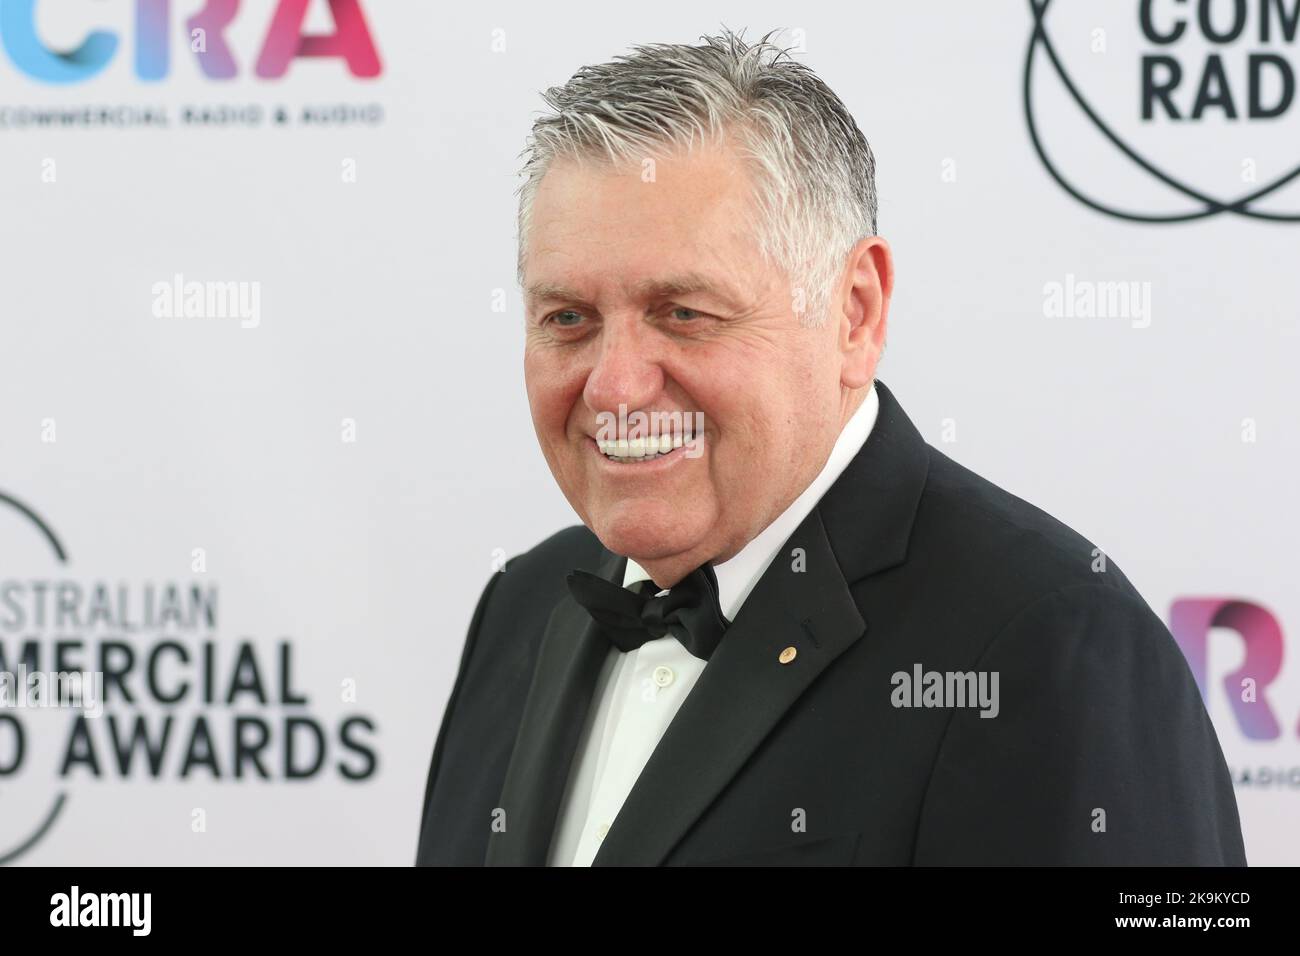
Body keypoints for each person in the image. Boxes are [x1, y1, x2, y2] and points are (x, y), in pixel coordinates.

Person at [415, 27, 1246, 866]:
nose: (615, 387)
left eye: (684, 313)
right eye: (569, 320)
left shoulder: (1057, 647)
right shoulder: (520, 605)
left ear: (855, 312)